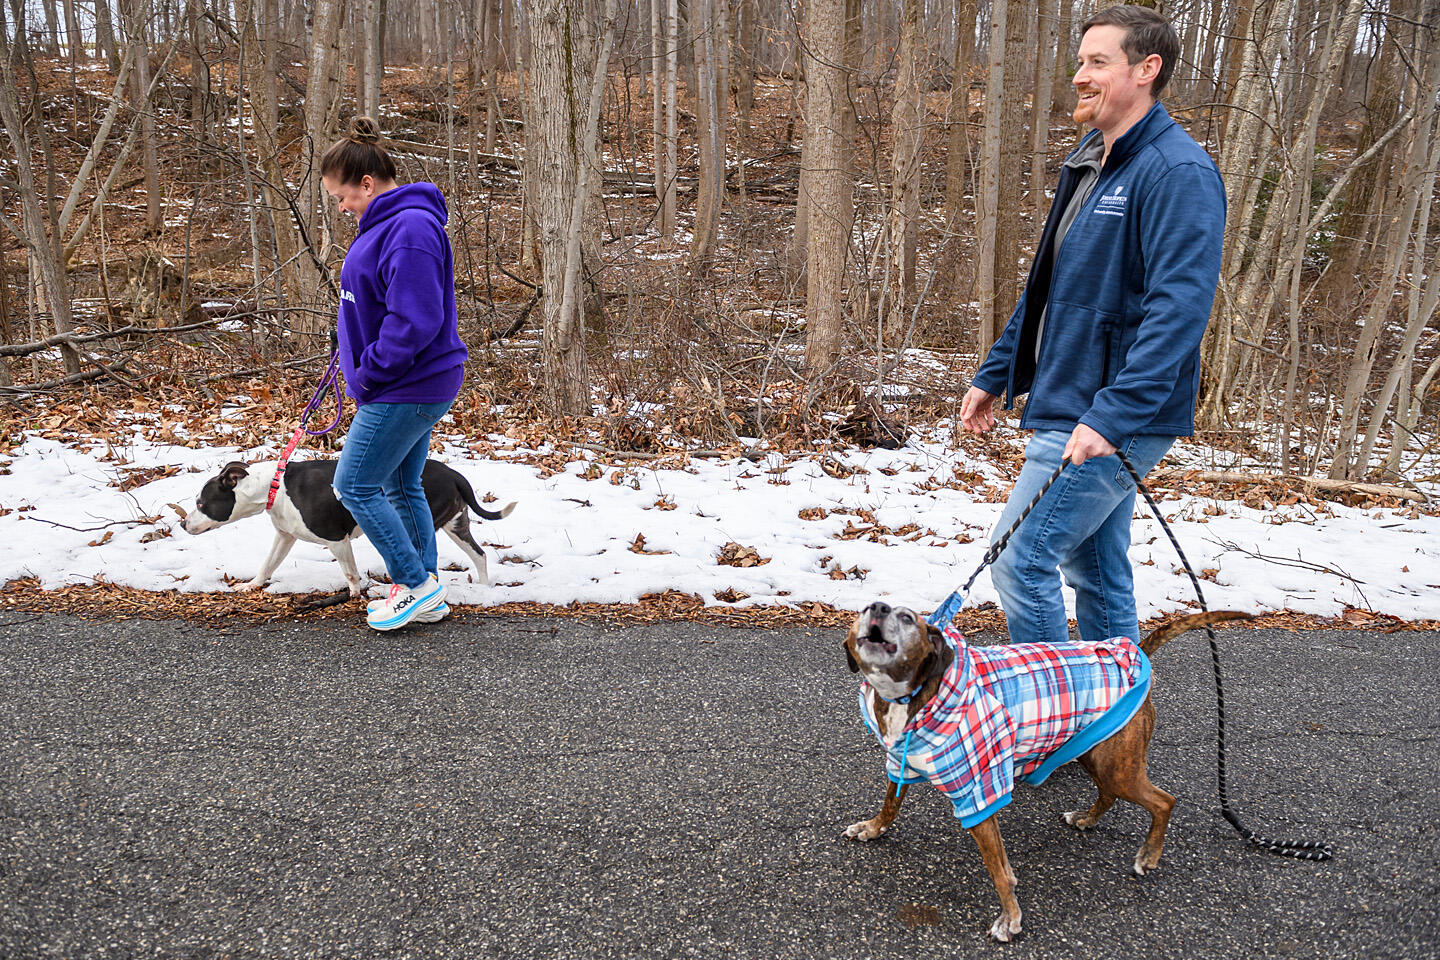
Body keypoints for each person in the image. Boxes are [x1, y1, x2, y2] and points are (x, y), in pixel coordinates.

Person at [959, 5, 1225, 648]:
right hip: (1068, 396)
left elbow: (1180, 310)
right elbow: (1050, 287)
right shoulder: (1088, 162)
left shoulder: (1176, 172)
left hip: (1111, 411)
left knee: (1020, 562)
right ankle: (1111, 727)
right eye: (1081, 61)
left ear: (1146, 70)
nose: (1079, 75)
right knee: (1096, 569)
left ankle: (1051, 724)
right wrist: (998, 371)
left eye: (1097, 62)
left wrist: (1113, 414)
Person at [321, 117, 469, 631]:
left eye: (342, 196)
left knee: (355, 485)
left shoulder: (410, 228)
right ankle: (422, 587)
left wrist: (369, 370)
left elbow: (416, 318)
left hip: (407, 383)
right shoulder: (388, 224)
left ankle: (415, 583)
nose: (340, 208)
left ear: (366, 183)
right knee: (400, 486)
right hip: (403, 382)